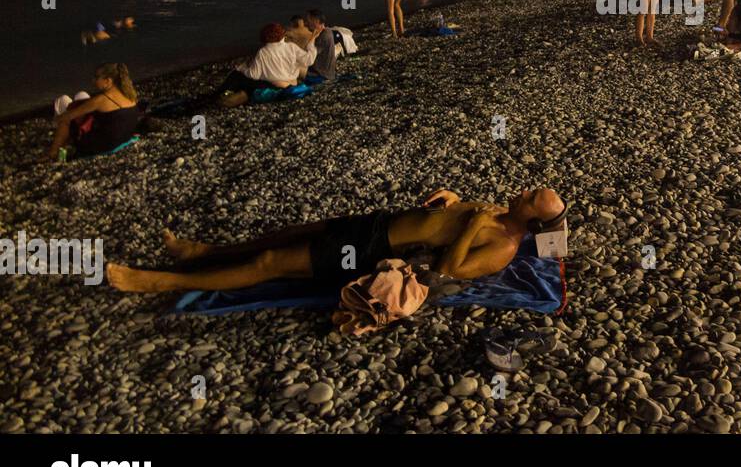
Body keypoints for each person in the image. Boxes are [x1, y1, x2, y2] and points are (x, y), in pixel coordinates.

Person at [106, 188, 567, 293]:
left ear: (531, 220)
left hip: (375, 252)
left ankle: (161, 282)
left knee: (271, 260)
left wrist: (467, 228)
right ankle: (203, 253)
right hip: (378, 223)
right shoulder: (502, 212)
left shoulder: (505, 246)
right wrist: (453, 201)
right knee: (292, 232)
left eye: (531, 197)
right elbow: (452, 218)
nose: (523, 191)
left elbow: (448, 271)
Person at [46, 63, 142, 162]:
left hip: (102, 145)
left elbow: (68, 116)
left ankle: (52, 153)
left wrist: (57, 119)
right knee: (81, 95)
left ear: (108, 81)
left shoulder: (101, 99)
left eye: (97, 77)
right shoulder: (129, 95)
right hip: (123, 137)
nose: (93, 80)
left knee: (65, 113)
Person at [217, 22, 315, 107]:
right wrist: (311, 43)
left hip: (273, 85)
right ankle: (232, 95)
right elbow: (309, 60)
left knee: (238, 75)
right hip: (291, 83)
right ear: (281, 35)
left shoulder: (263, 52)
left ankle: (221, 94)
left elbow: (254, 75)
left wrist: (242, 69)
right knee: (248, 82)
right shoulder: (291, 47)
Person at [304, 9, 338, 83]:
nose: (306, 23)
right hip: (324, 71)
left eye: (309, 20)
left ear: (315, 21)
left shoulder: (324, 35)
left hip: (321, 74)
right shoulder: (326, 31)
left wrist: (312, 38)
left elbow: (310, 54)